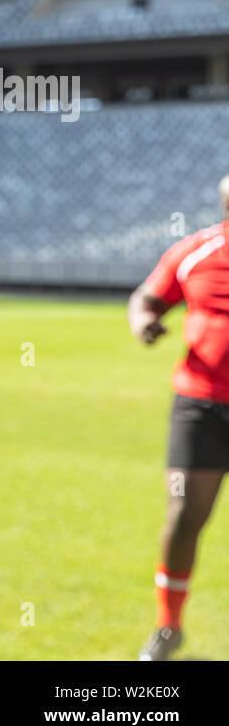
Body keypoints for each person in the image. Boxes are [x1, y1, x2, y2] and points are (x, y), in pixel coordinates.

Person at [129, 175, 229, 660]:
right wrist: (144, 322)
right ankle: (169, 627)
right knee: (185, 513)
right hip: (201, 405)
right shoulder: (194, 252)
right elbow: (146, 298)